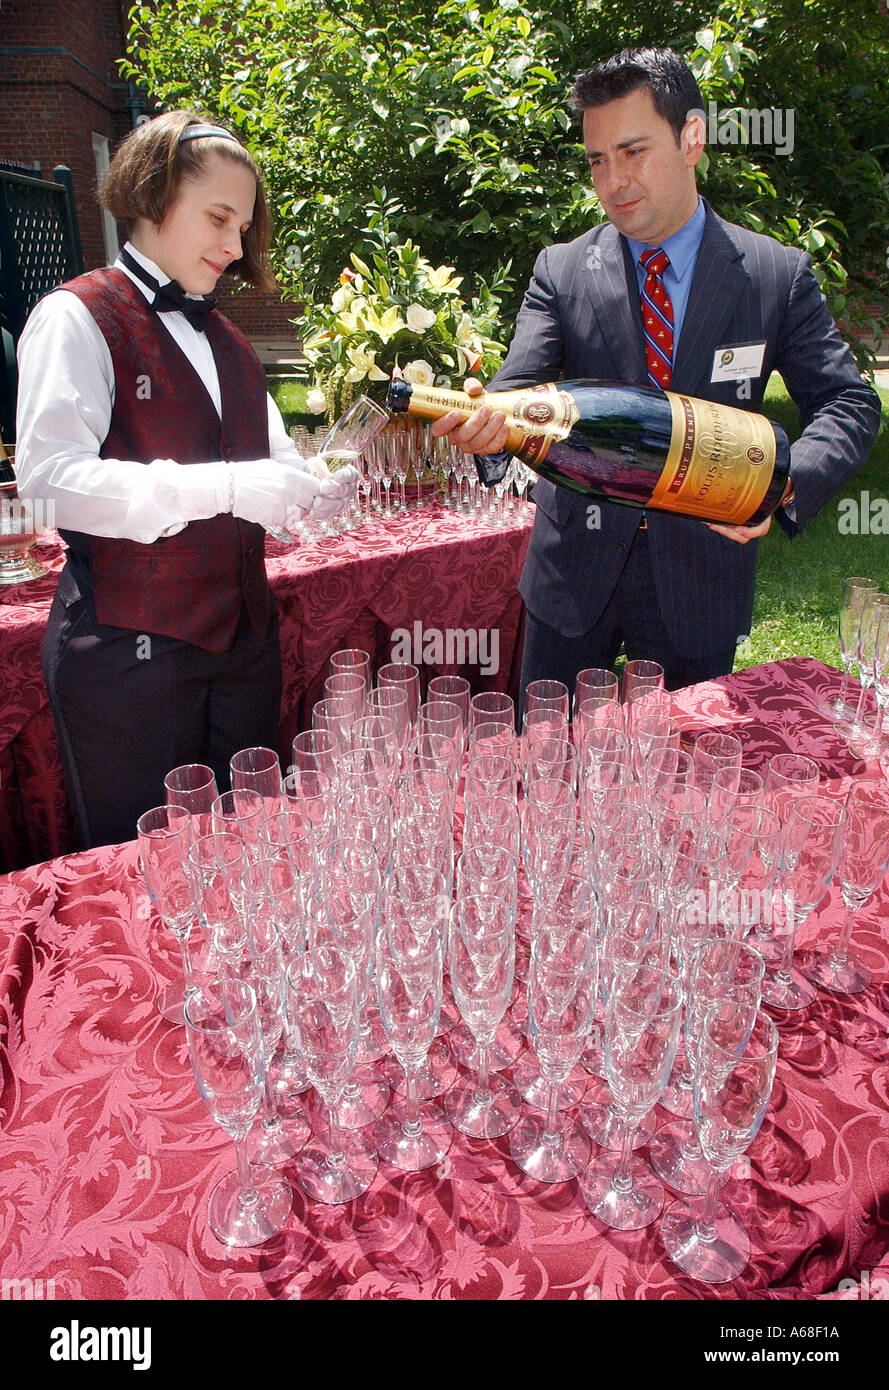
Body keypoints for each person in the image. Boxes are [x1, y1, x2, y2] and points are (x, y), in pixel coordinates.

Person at [432, 47, 881, 699]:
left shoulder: (772, 277)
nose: (613, 181)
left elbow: (847, 403)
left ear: (691, 137)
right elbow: (513, 394)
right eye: (596, 160)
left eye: (632, 151)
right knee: (549, 775)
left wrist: (781, 484)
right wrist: (489, 429)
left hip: (698, 582)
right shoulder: (560, 271)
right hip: (570, 577)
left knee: (679, 785)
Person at [15, 110, 358, 849]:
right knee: (140, 884)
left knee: (245, 863)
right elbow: (47, 482)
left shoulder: (229, 338)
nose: (235, 248)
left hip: (245, 654)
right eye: (219, 218)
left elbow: (275, 471)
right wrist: (223, 489)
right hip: (126, 664)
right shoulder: (75, 316)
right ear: (151, 194)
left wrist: (316, 489)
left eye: (244, 227)